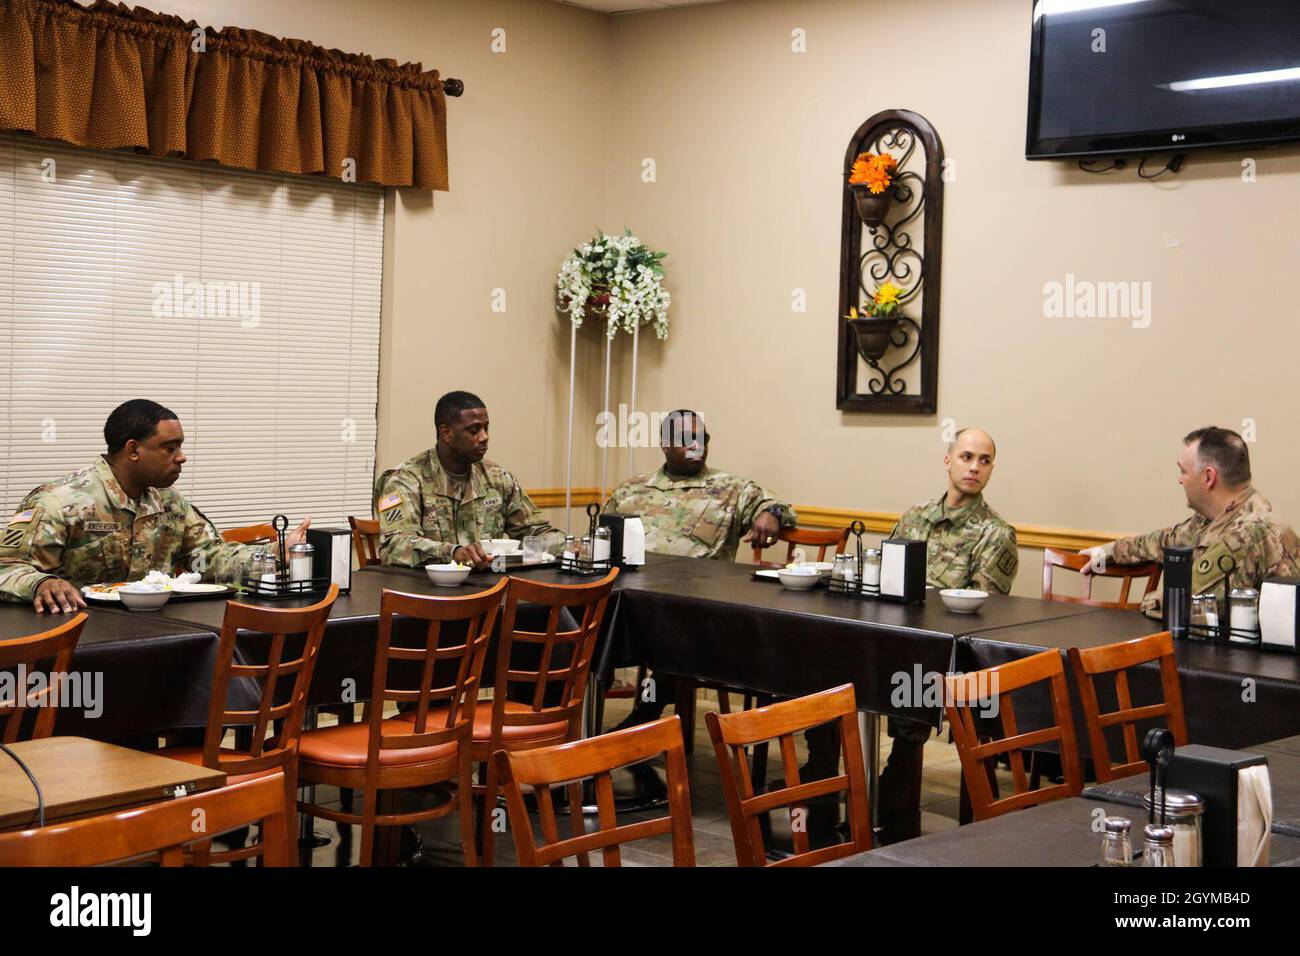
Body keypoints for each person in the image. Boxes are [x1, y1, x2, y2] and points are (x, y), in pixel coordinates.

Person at [0, 399, 309, 612]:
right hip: (79, 638)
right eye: (169, 448)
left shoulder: (171, 502)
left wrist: (276, 553)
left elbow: (211, 556)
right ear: (133, 450)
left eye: (181, 447)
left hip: (157, 634)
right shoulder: (61, 502)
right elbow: (7, 568)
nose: (182, 457)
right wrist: (41, 583)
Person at [876, 427, 1018, 843]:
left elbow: (979, 613)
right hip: (898, 640)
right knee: (836, 670)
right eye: (967, 457)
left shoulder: (996, 533)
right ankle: (824, 787)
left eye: (985, 460)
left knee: (913, 685)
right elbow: (888, 579)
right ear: (948, 460)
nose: (975, 467)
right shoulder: (914, 516)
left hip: (951, 659)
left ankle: (894, 801)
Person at [1081, 426, 1300, 617]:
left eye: (1183, 471)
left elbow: (1179, 606)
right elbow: (1164, 541)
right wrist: (1107, 552)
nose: (1179, 480)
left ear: (1208, 477)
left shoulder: (1247, 534)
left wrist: (1148, 600)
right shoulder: (1216, 517)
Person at [376, 390, 564, 569]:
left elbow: (534, 532)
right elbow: (395, 546)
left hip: (490, 592)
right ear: (446, 433)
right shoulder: (405, 481)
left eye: (486, 428)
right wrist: (453, 553)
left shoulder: (497, 478)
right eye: (474, 430)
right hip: (428, 594)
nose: (485, 437)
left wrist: (570, 545)